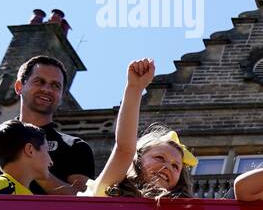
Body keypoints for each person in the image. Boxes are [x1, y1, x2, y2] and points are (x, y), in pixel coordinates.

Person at [0, 55, 96, 194]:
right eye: (39, 81)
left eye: (56, 85)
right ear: (19, 86)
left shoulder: (75, 147)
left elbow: (83, 199)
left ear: (61, 95)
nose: (47, 89)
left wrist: (41, 173)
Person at [81, 59, 195, 198]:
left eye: (175, 166)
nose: (168, 167)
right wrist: (135, 88)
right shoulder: (108, 189)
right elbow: (124, 149)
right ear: (137, 159)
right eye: (159, 157)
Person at [0, 120, 53, 195]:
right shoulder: (4, 184)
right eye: (46, 151)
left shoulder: (25, 193)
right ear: (30, 150)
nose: (51, 162)